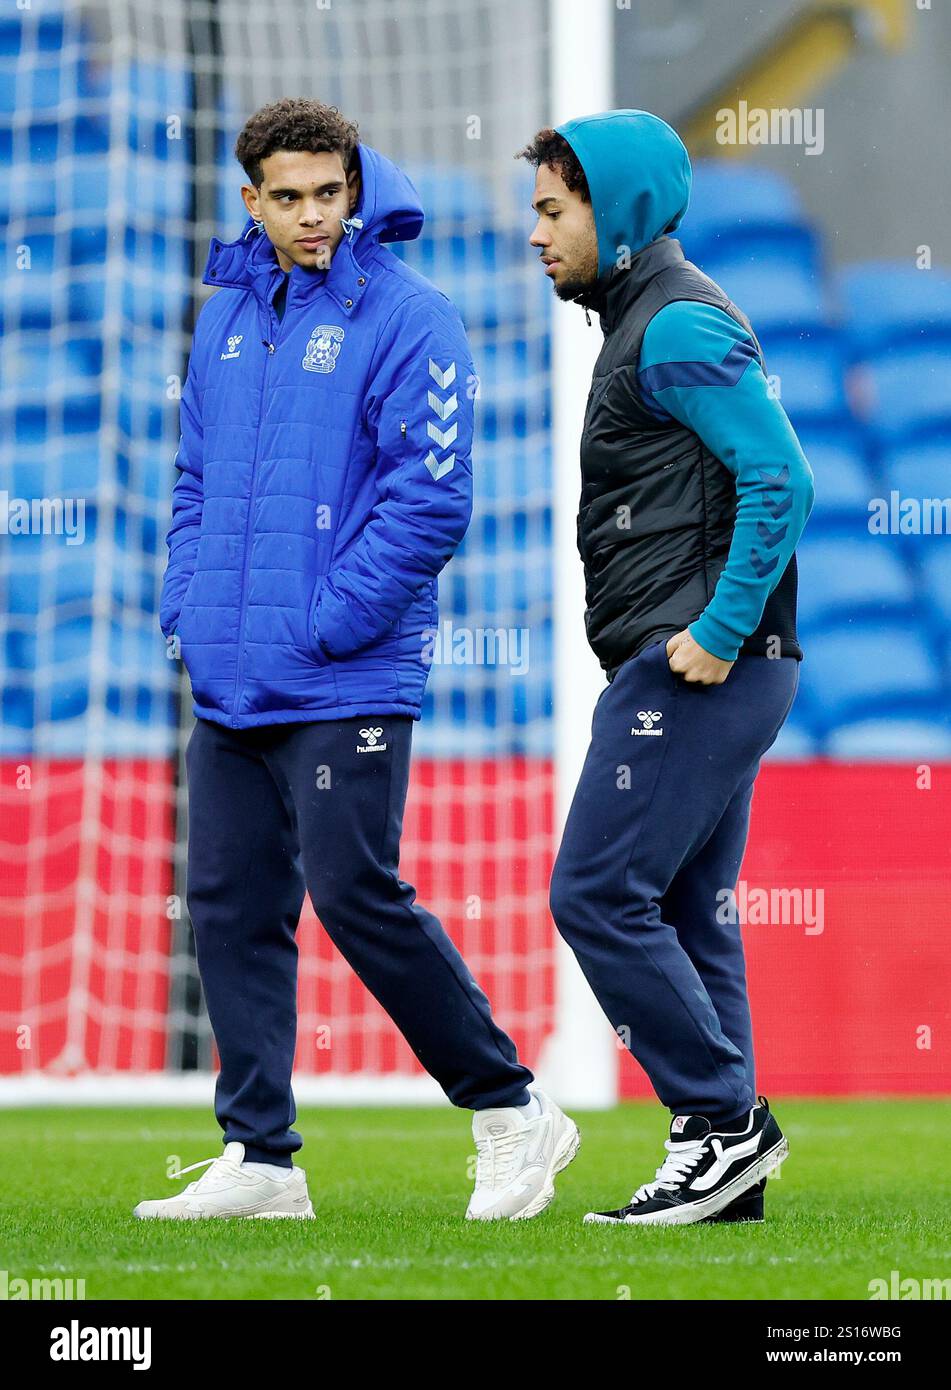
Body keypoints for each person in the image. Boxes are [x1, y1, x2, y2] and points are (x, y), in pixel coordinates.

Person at [137, 98, 578, 1222]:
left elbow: (430, 501)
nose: (310, 215)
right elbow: (191, 479)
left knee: (355, 892)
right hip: (229, 677)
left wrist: (327, 622)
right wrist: (188, 600)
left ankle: (511, 1108)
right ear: (253, 200)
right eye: (285, 197)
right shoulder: (226, 311)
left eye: (328, 192)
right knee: (229, 904)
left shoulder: (412, 314)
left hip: (347, 674)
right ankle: (263, 1160)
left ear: (355, 186)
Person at [518, 110, 814, 1226]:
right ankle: (724, 1166)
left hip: (698, 662)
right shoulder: (650, 318)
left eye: (555, 211)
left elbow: (783, 480)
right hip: (709, 660)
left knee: (593, 890)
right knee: (690, 909)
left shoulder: (676, 322)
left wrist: (721, 629)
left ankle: (725, 1124)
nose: (537, 236)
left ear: (621, 211)